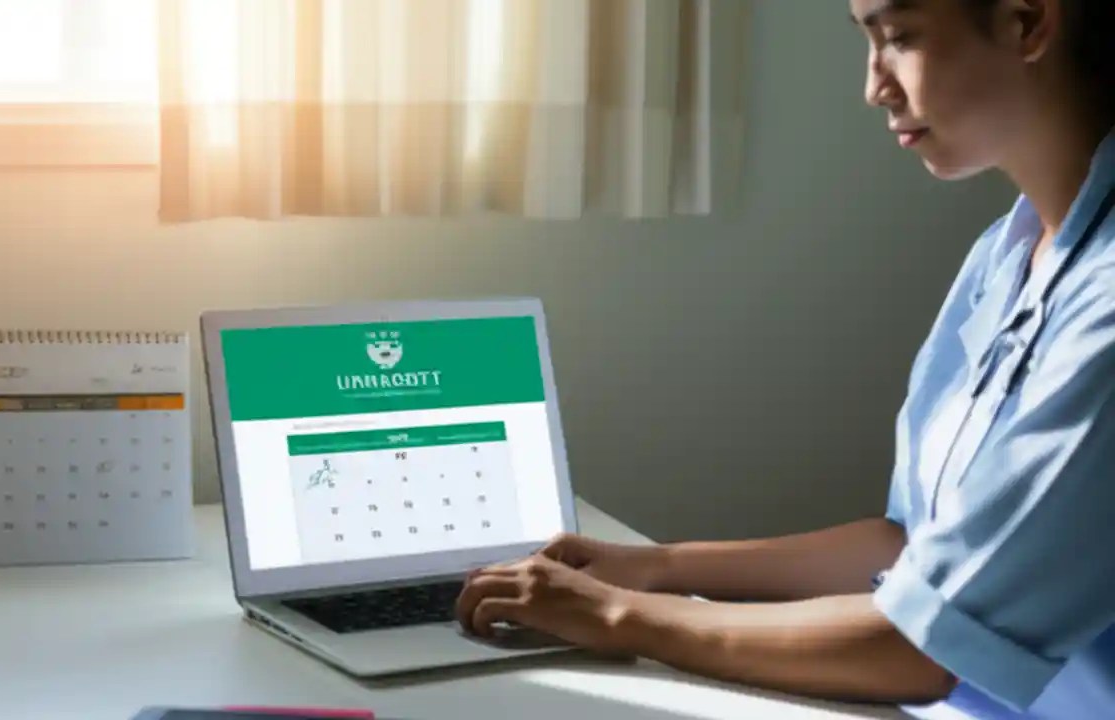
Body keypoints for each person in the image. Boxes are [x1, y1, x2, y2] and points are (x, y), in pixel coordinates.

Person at [455, 0, 1115, 717]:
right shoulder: (1006, 254)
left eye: (899, 38)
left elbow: (919, 649)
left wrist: (616, 615)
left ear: (1026, 22)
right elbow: (906, 546)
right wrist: (656, 567)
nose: (875, 87)